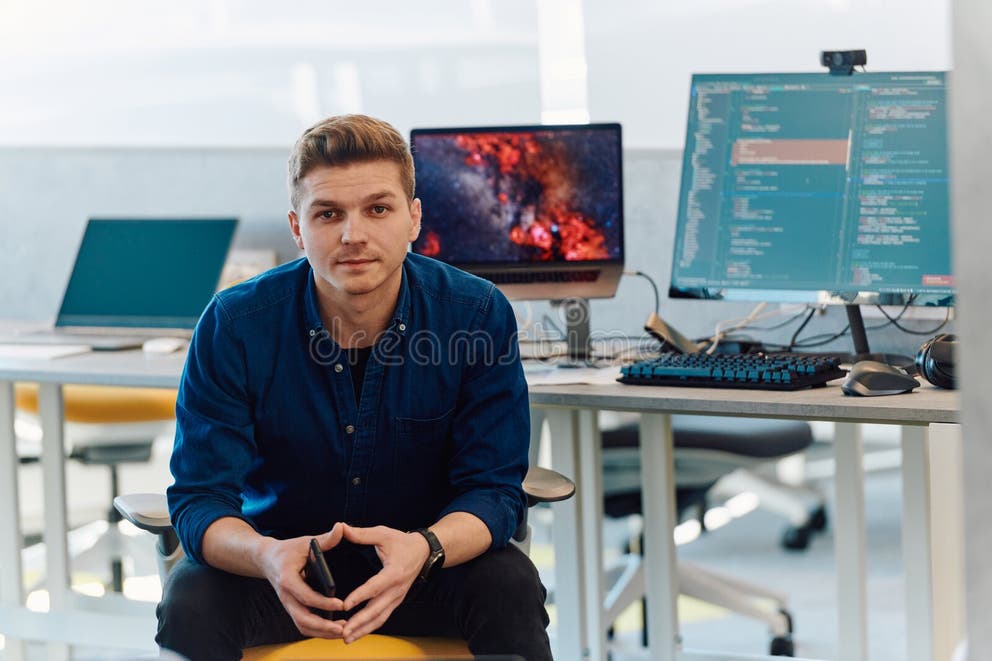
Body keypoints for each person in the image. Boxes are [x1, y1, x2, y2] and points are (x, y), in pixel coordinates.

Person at [157, 114, 552, 660]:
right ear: (298, 228)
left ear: (413, 219)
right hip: (280, 571)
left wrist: (425, 548)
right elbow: (201, 497)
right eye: (328, 214)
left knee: (510, 586)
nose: (353, 234)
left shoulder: (476, 314)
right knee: (191, 600)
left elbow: (493, 490)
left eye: (378, 208)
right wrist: (266, 557)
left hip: (424, 565)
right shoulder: (235, 323)